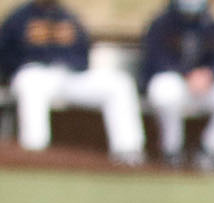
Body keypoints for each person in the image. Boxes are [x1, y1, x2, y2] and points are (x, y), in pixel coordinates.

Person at [0, 0, 144, 165]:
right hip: (35, 73)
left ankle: (128, 151)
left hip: (69, 75)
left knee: (119, 83)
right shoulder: (19, 18)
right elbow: (5, 54)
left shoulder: (68, 17)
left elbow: (84, 53)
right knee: (30, 82)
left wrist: (72, 65)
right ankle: (36, 153)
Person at [137, 0, 214, 169]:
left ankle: (210, 151)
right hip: (177, 84)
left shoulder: (210, 24)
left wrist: (210, 74)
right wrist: (187, 74)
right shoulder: (161, 23)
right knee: (163, 89)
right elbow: (155, 60)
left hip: (205, 86)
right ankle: (171, 151)